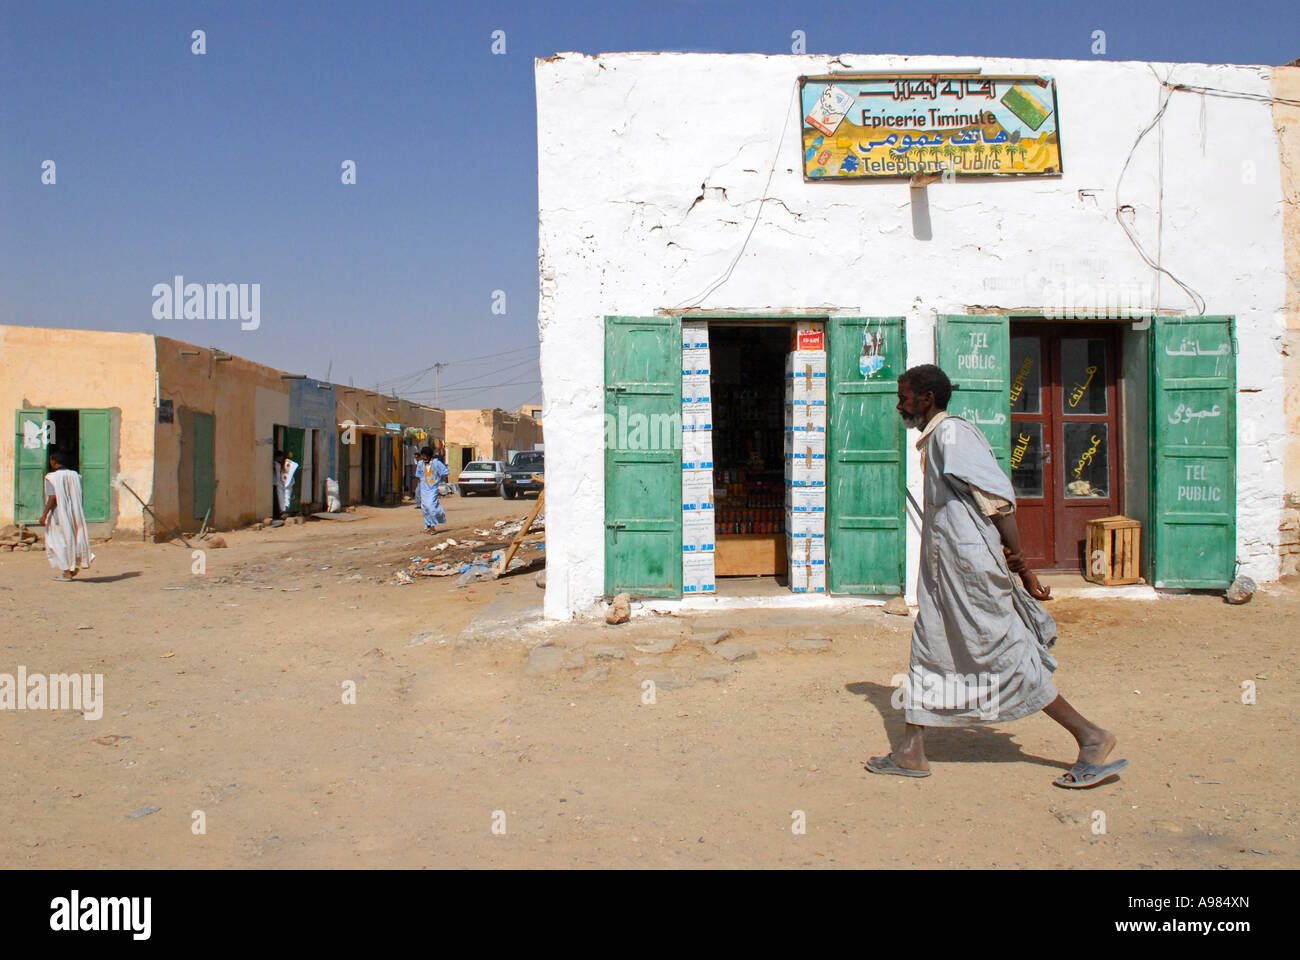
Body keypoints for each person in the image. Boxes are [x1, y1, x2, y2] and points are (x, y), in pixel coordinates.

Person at [865, 364, 1128, 789]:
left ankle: (1090, 736)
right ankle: (912, 750)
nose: (900, 404)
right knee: (931, 645)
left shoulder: (953, 435)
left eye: (906, 396)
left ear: (928, 397)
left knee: (1002, 656)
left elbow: (998, 501)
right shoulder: (937, 439)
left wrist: (1023, 566)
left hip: (970, 571)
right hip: (946, 570)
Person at [38, 449, 95, 581]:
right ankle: (73, 566)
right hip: (74, 513)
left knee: (58, 542)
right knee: (72, 538)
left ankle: (67, 571)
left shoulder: (51, 477)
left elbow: (52, 498)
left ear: (53, 462)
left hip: (59, 514)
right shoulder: (75, 475)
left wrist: (44, 515)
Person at [416, 446, 449, 533]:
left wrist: (438, 477)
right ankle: (428, 525)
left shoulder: (436, 463)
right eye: (423, 456)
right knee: (425, 507)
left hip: (432, 488)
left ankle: (433, 526)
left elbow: (445, 471)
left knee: (431, 506)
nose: (424, 457)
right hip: (423, 488)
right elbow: (418, 474)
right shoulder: (420, 463)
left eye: (425, 456)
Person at [272, 449, 298, 520]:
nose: (278, 459)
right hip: (279, 483)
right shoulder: (276, 464)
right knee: (280, 496)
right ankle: (283, 511)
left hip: (288, 483)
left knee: (287, 495)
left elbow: (291, 471)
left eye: (279, 457)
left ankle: (286, 509)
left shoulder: (288, 463)